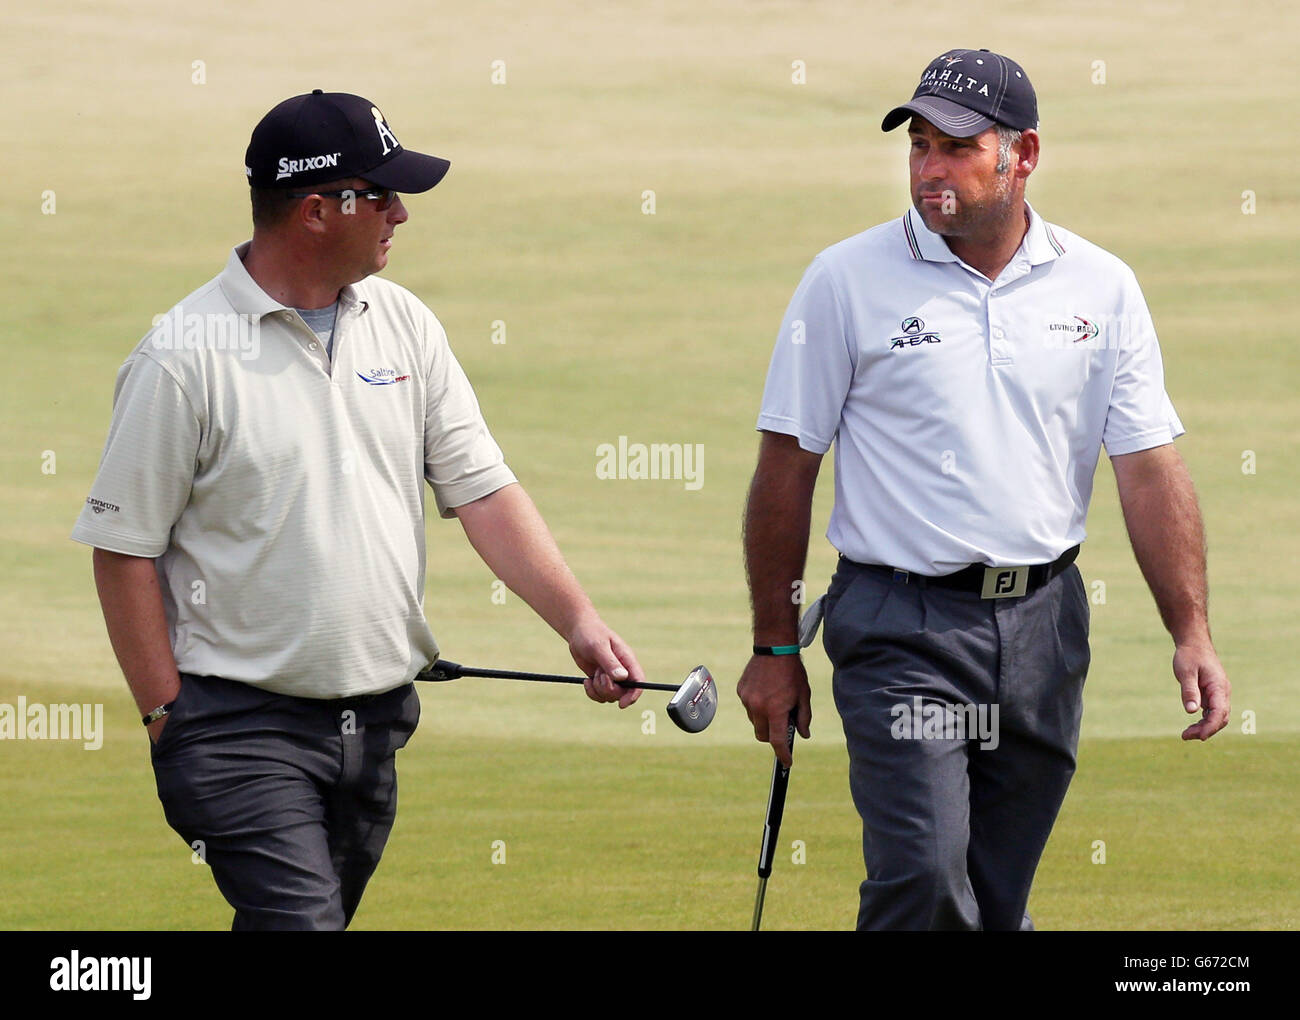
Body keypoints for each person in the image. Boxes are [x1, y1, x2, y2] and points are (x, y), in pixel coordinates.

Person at [71, 90, 643, 930]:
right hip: (238, 731)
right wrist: (166, 719)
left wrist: (578, 621)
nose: (401, 214)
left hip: (374, 727)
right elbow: (123, 548)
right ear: (314, 210)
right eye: (380, 195)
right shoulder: (182, 358)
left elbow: (482, 490)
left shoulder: (403, 324)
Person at [737, 50, 1230, 930]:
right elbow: (787, 471)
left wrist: (1190, 630)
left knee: (996, 902)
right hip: (902, 628)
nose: (930, 169)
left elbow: (1150, 468)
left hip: (1046, 629)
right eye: (918, 145)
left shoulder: (1102, 287)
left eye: (957, 148)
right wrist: (776, 648)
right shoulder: (846, 281)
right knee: (925, 881)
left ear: (1023, 154)